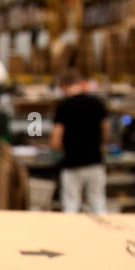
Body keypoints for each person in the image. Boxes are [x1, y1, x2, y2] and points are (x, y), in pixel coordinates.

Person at [49, 71, 108, 214]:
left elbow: (55, 140)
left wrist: (62, 148)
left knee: (71, 206)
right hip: (95, 163)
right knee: (98, 205)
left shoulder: (64, 106)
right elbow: (106, 131)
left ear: (63, 86)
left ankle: (71, 236)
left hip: (72, 164)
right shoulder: (97, 103)